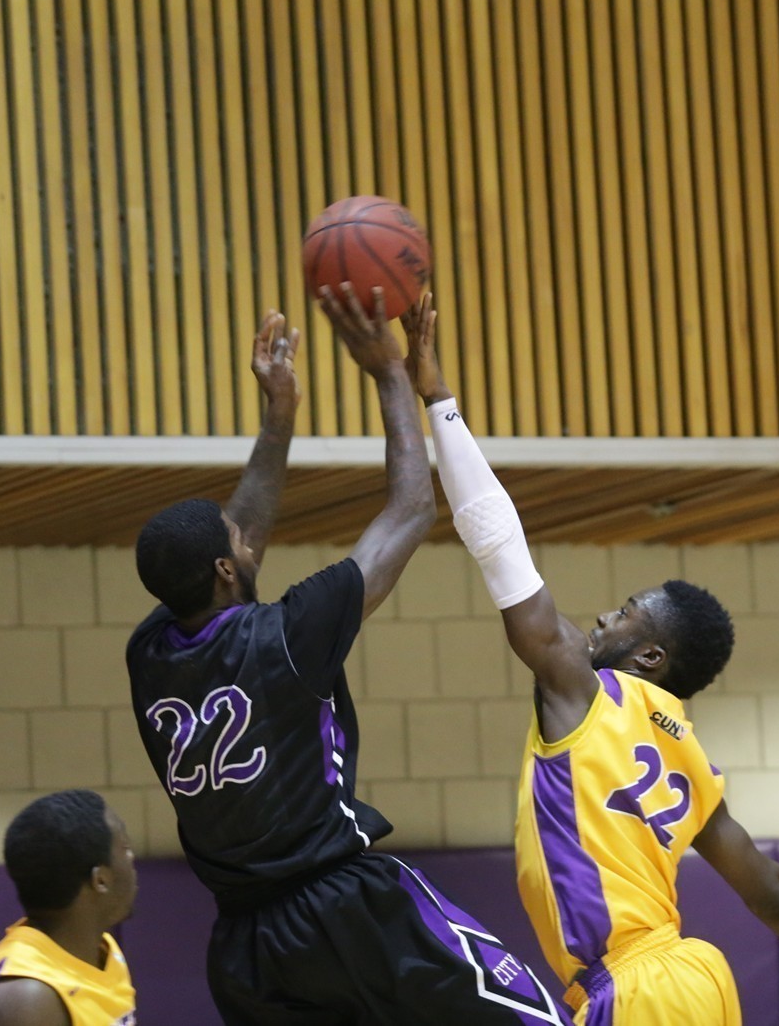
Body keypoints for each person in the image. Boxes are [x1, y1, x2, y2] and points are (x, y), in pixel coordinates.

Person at [399, 303, 779, 1026]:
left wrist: (440, 403)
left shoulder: (583, 691)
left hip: (634, 988)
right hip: (696, 978)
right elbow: (769, 887)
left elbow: (501, 548)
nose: (604, 618)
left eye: (625, 612)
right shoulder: (687, 751)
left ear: (648, 654)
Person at [125, 288, 561, 1026]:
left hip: (244, 947)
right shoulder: (283, 639)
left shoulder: (148, 651)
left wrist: (280, 417)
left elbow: (238, 544)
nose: (244, 535)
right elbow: (413, 509)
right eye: (232, 541)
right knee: (533, 1016)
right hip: (345, 907)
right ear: (227, 571)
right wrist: (391, 371)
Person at [0, 790, 138, 1026]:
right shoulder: (24, 1000)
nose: (131, 859)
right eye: (125, 848)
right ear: (101, 880)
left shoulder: (103, 949)